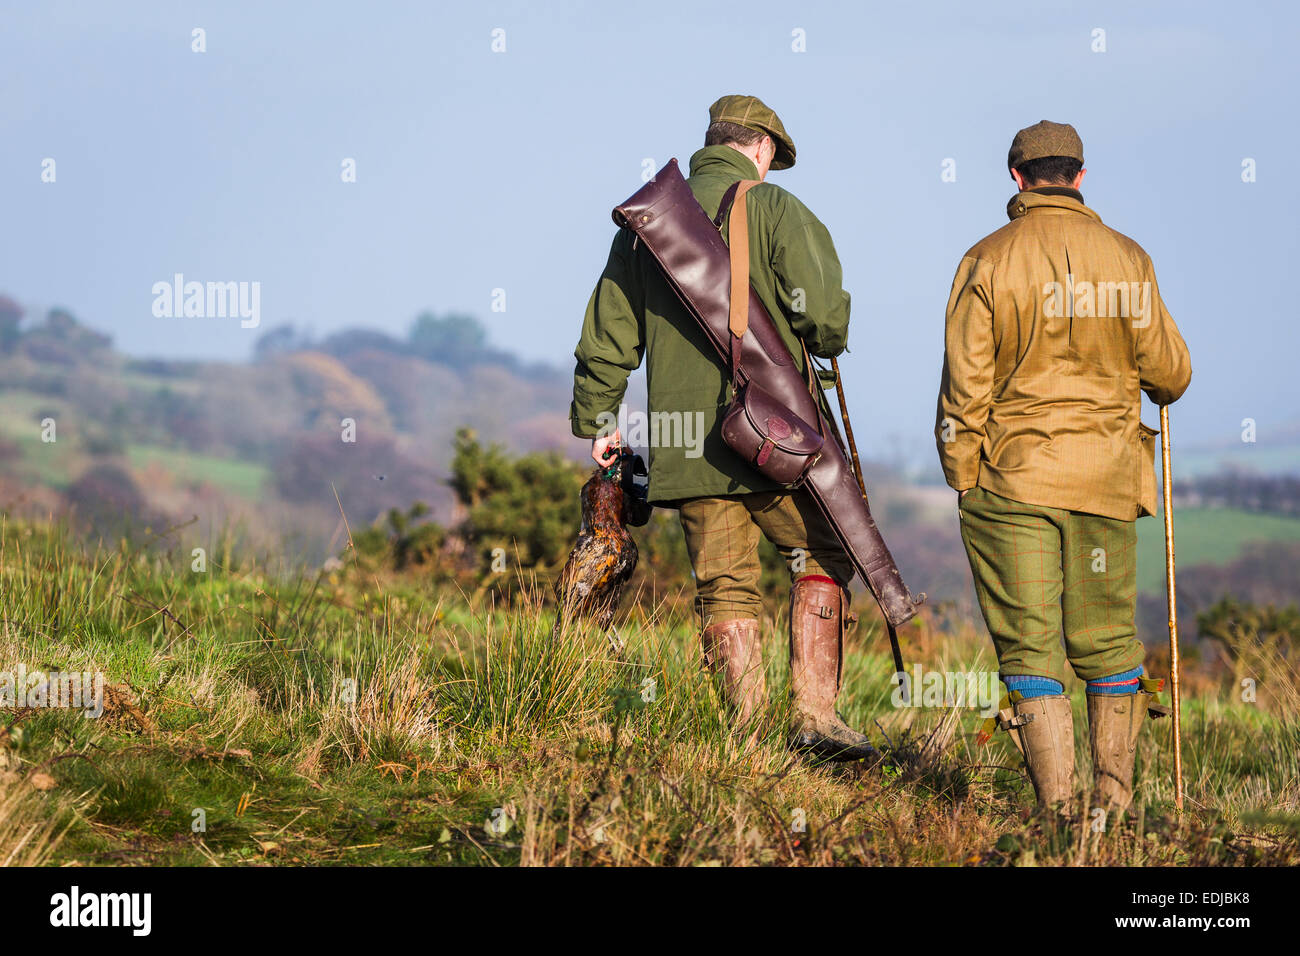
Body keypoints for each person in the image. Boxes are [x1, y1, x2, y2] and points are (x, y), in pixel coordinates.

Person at [570, 94, 875, 760]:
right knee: (824, 554)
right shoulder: (773, 208)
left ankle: (744, 737)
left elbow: (608, 332)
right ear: (762, 148)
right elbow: (825, 320)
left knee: (724, 584)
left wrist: (599, 417)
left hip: (684, 440)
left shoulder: (645, 224)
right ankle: (814, 721)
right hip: (773, 435)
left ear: (714, 141)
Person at [935, 120, 1192, 811]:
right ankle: (1111, 813)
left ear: (1016, 178)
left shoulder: (986, 259)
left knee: (1030, 646)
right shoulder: (1129, 259)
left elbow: (966, 389)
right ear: (1080, 177)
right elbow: (1171, 374)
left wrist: (962, 474)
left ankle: (1059, 816)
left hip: (1012, 481)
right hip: (1109, 482)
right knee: (1109, 644)